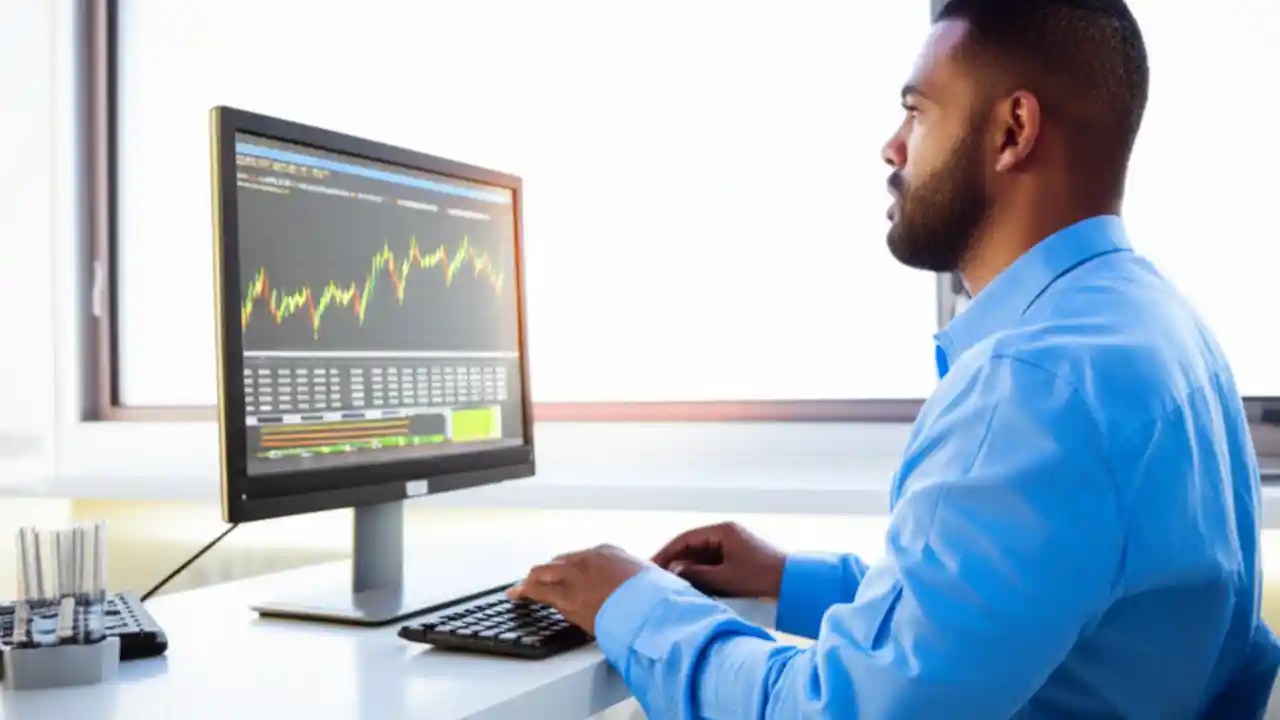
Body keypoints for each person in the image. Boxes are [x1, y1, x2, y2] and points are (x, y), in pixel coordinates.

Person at [510, 0, 1280, 716]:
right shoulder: (1164, 334)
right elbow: (1029, 602)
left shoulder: (1032, 385)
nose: (893, 145)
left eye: (917, 111)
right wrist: (791, 580)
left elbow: (842, 710)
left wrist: (632, 602)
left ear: (1012, 131)